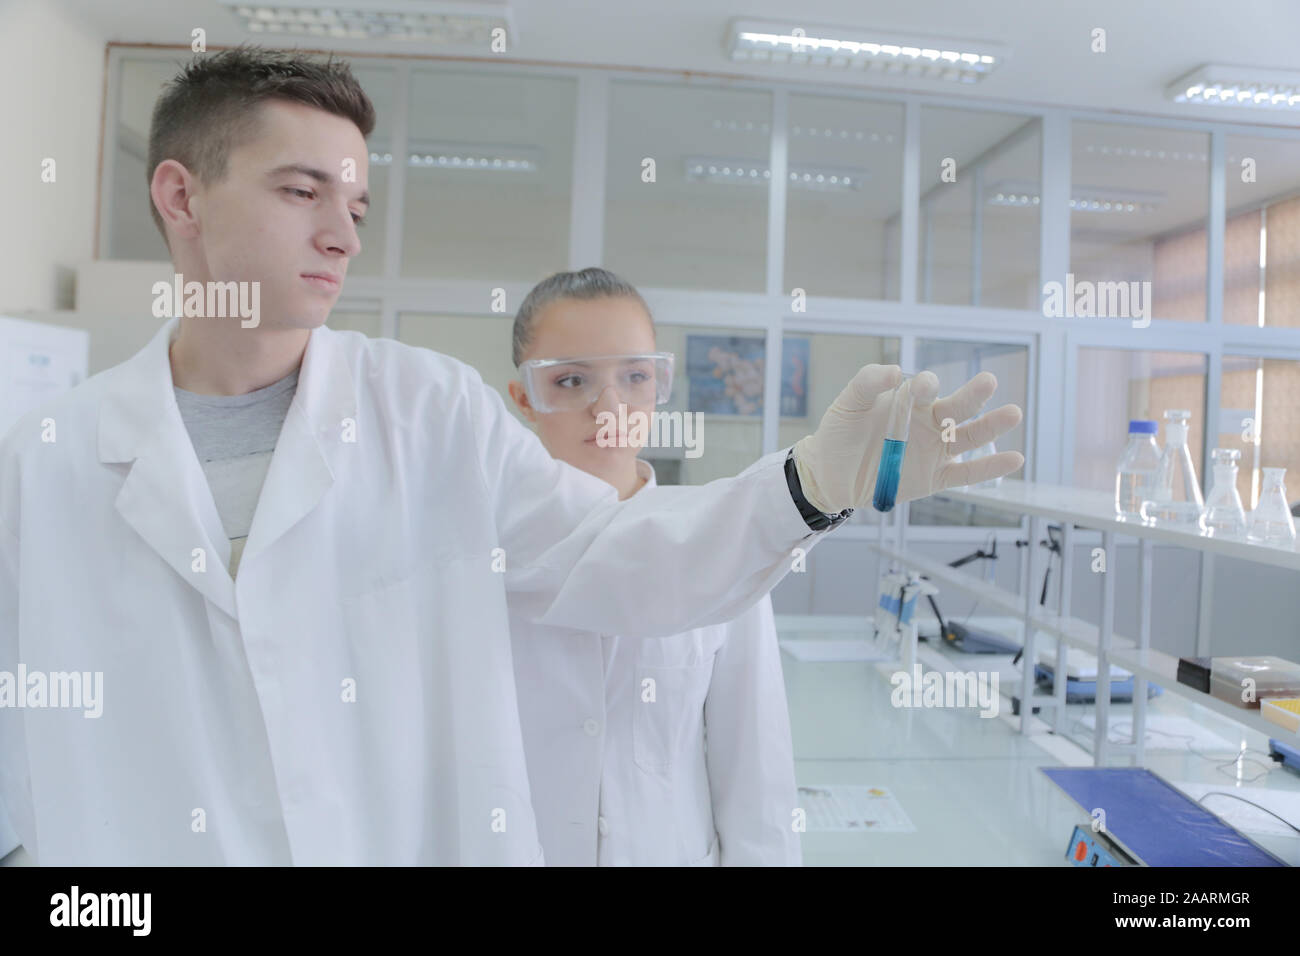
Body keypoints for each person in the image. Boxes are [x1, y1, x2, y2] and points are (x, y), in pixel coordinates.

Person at [0, 47, 1024, 865]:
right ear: (180, 198)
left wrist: (811, 484)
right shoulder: (42, 465)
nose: (342, 236)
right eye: (301, 191)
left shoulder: (425, 413)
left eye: (354, 206)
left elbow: (622, 560)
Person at [505, 268, 799, 866]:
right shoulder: (488, 552)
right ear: (525, 400)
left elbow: (756, 771)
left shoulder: (718, 541)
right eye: (570, 379)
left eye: (634, 377)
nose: (609, 406)